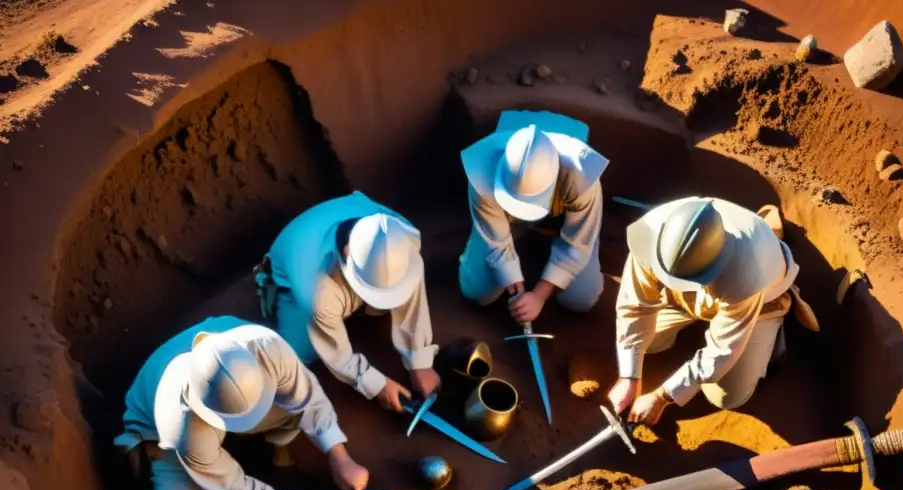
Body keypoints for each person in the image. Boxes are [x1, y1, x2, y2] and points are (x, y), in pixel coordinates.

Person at [114, 316, 370, 490]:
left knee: (293, 402)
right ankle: (149, 453)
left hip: (222, 372)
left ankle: (273, 441)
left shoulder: (265, 346)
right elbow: (231, 487)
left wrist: (340, 457)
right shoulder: (183, 428)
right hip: (160, 430)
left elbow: (308, 399)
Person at [609, 197, 818, 425]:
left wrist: (662, 397)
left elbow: (722, 350)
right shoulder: (650, 235)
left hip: (756, 301)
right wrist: (629, 376)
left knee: (727, 396)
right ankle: (698, 317)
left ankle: (772, 338)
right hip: (693, 297)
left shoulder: (745, 274)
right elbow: (634, 307)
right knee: (645, 344)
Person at [255, 191, 441, 414]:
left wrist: (420, 360)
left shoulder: (399, 234)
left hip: (330, 240)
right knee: (300, 353)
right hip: (293, 285)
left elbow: (412, 280)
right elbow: (339, 356)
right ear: (346, 252)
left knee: (389, 288)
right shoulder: (315, 288)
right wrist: (377, 385)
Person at [458, 110, 609, 325]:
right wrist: (514, 284)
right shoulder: (483, 174)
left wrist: (539, 295)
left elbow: (578, 242)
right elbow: (496, 240)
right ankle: (513, 235)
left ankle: (550, 236)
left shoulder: (582, 177)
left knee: (581, 298)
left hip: (563, 216)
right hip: (506, 219)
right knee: (477, 291)